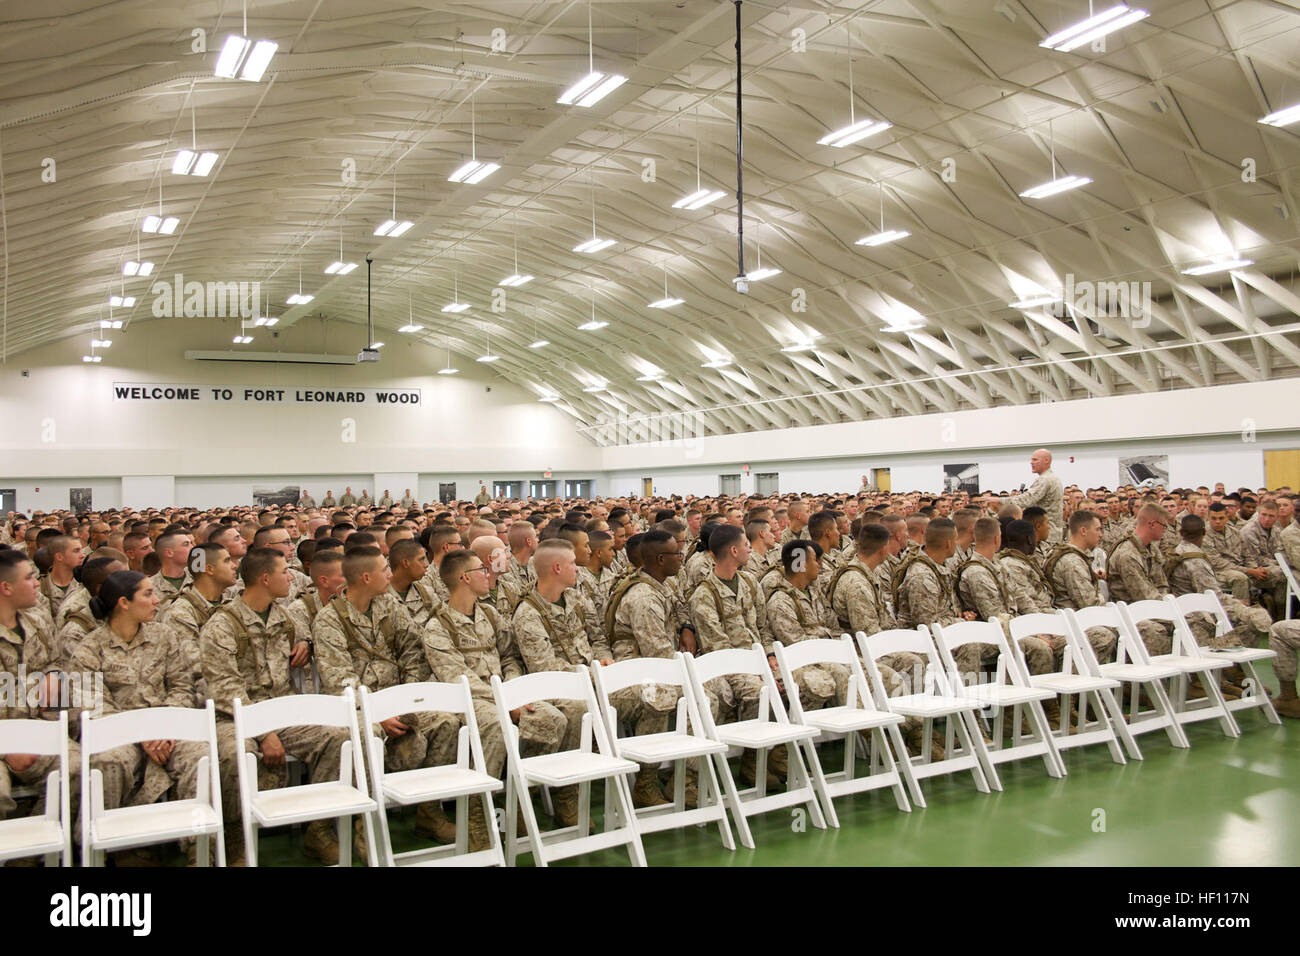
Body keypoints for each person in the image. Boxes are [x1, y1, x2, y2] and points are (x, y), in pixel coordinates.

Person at [200, 548, 348, 865]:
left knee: (339, 736)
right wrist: (264, 731)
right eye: (284, 571)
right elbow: (226, 688)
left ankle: (318, 830)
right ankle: (235, 843)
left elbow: (308, 637)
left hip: (282, 710)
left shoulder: (285, 616)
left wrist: (306, 643)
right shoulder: (222, 626)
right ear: (265, 579)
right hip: (234, 717)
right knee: (232, 756)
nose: (291, 576)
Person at [312, 546, 458, 849]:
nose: (390, 575)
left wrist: (406, 699)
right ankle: (357, 824)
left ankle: (429, 811)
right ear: (366, 577)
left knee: (446, 721)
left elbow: (413, 651)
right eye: (383, 570)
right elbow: (339, 679)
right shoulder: (329, 620)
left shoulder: (389, 605)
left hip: (397, 699)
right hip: (355, 707)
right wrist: (377, 711)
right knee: (369, 734)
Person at [422, 549, 565, 850]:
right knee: (497, 725)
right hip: (466, 699)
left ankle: (517, 795)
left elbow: (510, 656)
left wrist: (513, 689)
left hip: (506, 693)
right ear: (464, 577)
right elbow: (457, 678)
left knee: (554, 718)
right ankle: (478, 815)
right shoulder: (438, 626)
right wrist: (504, 700)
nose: (487, 574)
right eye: (481, 570)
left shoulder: (489, 613)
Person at [73, 571, 209, 864]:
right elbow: (95, 707)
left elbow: (182, 687)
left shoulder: (164, 636)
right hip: (118, 735)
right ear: (124, 602)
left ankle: (198, 850)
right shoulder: (89, 648)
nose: (156, 600)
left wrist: (163, 729)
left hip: (166, 730)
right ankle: (111, 848)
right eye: (147, 594)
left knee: (202, 756)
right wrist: (141, 734)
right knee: (108, 762)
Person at [0, 549, 85, 829]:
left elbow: (57, 660)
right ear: (6, 587)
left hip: (38, 729)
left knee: (79, 768)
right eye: (29, 578)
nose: (38, 583)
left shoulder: (37, 621)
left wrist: (52, 674)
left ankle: (36, 848)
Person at [159, 541, 238, 699]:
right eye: (227, 561)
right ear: (209, 569)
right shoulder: (179, 612)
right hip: (203, 695)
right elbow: (194, 664)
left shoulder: (233, 600)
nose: (234, 566)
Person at [1042, 511, 1118, 663]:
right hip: (1074, 622)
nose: (1101, 534)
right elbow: (1088, 604)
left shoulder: (1074, 556)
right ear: (1083, 531)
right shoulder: (1072, 561)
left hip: (1077, 620)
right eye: (1097, 529)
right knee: (1110, 634)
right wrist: (1115, 619)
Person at [1010, 449, 1064, 543]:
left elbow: (1026, 500)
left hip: (1047, 535)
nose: (1031, 463)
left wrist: (1000, 501)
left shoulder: (1045, 479)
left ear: (1046, 460)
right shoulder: (1053, 478)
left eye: (1035, 460)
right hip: (1052, 533)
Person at [149, 530, 194, 614]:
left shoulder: (199, 578)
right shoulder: (150, 587)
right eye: (186, 544)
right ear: (169, 552)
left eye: (191, 543)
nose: (193, 548)